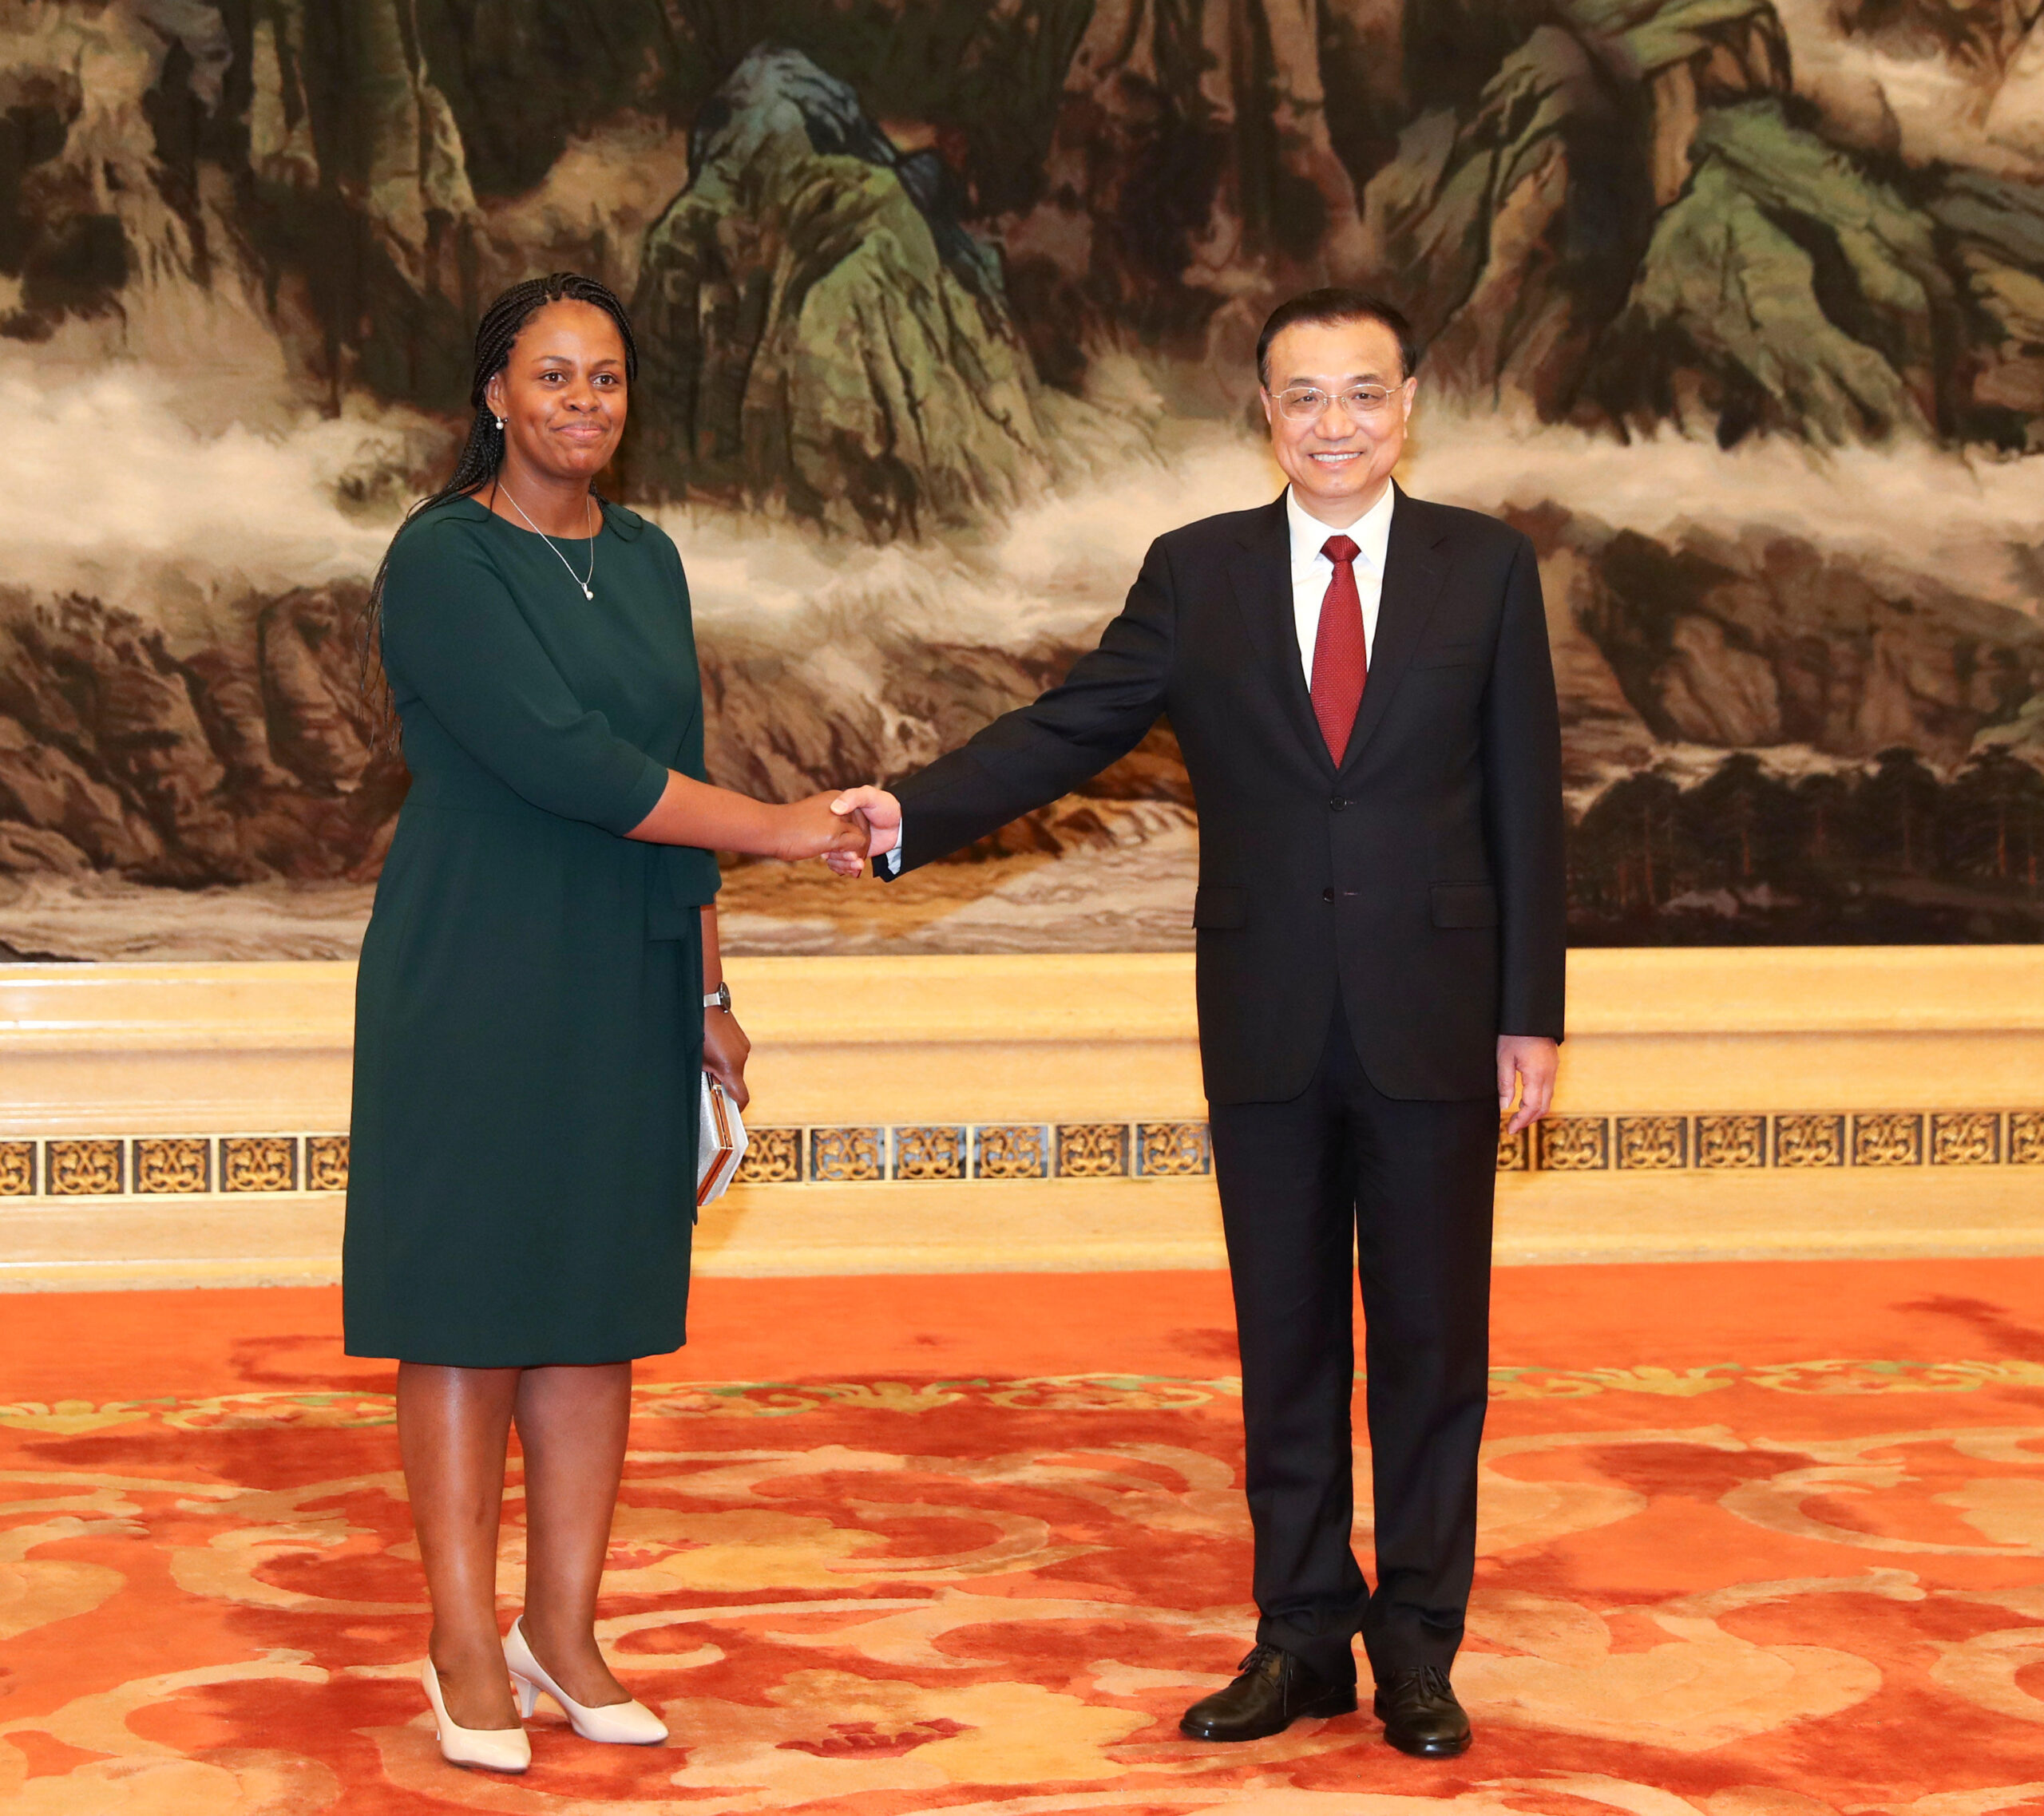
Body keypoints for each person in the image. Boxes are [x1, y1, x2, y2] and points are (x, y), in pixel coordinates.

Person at [830, 289, 1566, 1760]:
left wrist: (1529, 1012)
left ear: (1410, 403)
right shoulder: (1201, 573)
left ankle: (1419, 1647)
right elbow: (1070, 724)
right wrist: (913, 810)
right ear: (1266, 415)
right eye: (1304, 398)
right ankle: (1301, 1637)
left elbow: (1522, 802)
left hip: (1436, 1017)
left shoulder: (1484, 569)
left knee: (1432, 1350)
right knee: (1286, 1341)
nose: (1334, 425)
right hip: (1269, 1019)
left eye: (1363, 395)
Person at [343, 271, 869, 1774]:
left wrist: (710, 987)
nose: (582, 402)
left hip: (631, 964)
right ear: (493, 396)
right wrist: (788, 828)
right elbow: (571, 764)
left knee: (595, 1297)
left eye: (608, 380)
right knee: (466, 1301)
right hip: (476, 963)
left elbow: (667, 766)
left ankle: (560, 1632)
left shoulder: (643, 557)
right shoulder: (445, 561)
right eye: (552, 376)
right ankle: (461, 1641)